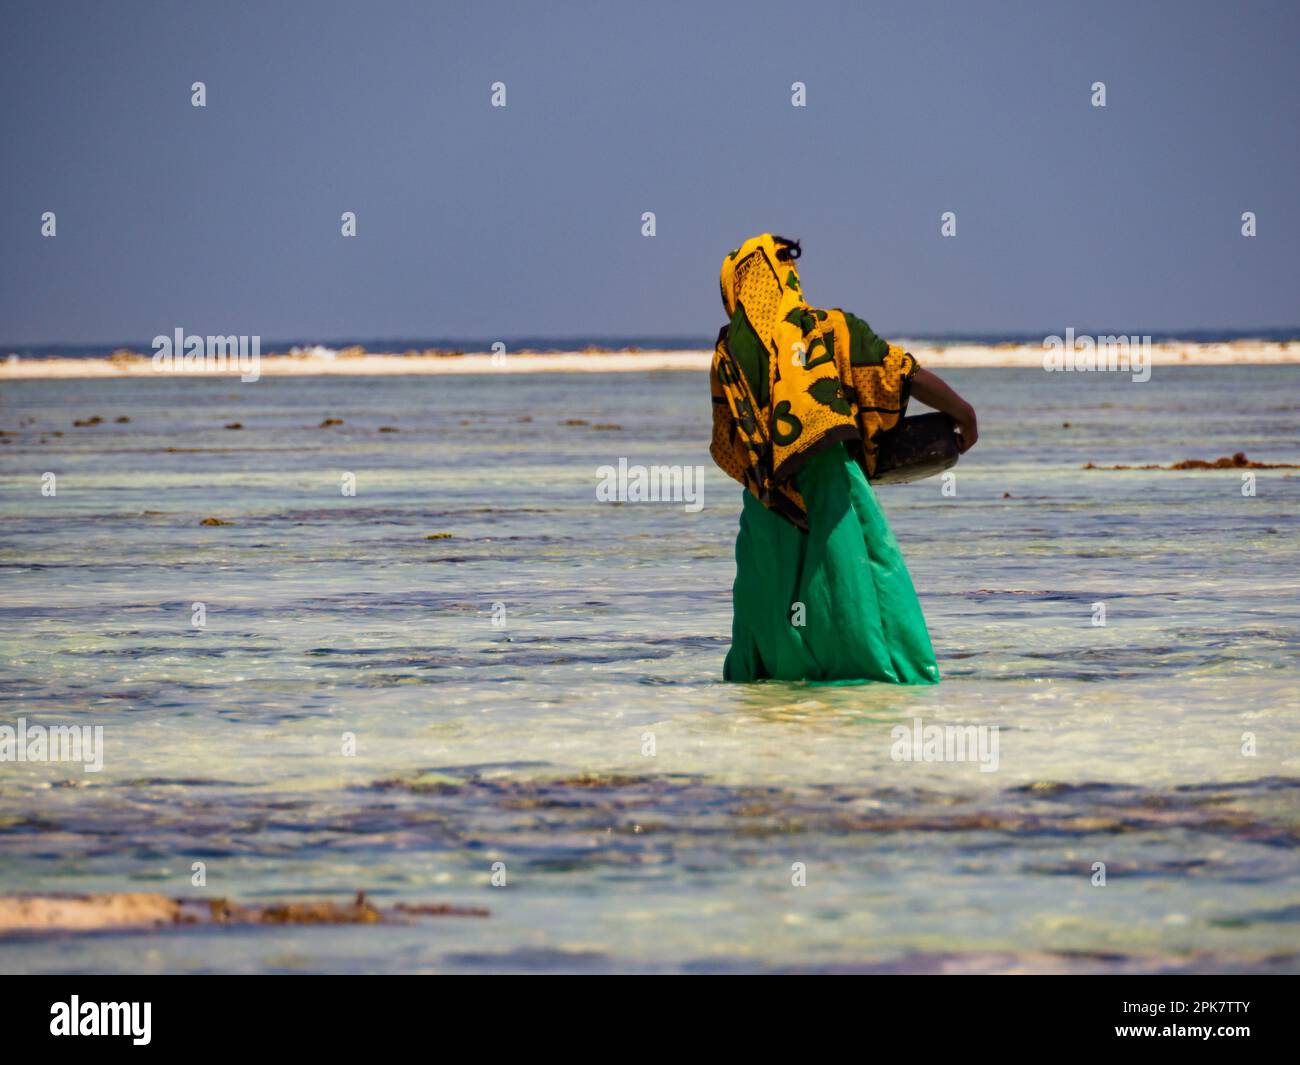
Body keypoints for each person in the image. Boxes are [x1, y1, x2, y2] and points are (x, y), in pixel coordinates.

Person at [709, 233, 978, 684]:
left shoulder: (728, 356)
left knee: (771, 595)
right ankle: (881, 671)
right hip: (831, 484)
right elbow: (900, 372)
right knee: (857, 579)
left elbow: (728, 444)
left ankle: (777, 682)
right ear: (784, 275)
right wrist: (964, 414)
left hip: (766, 499)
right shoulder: (826, 329)